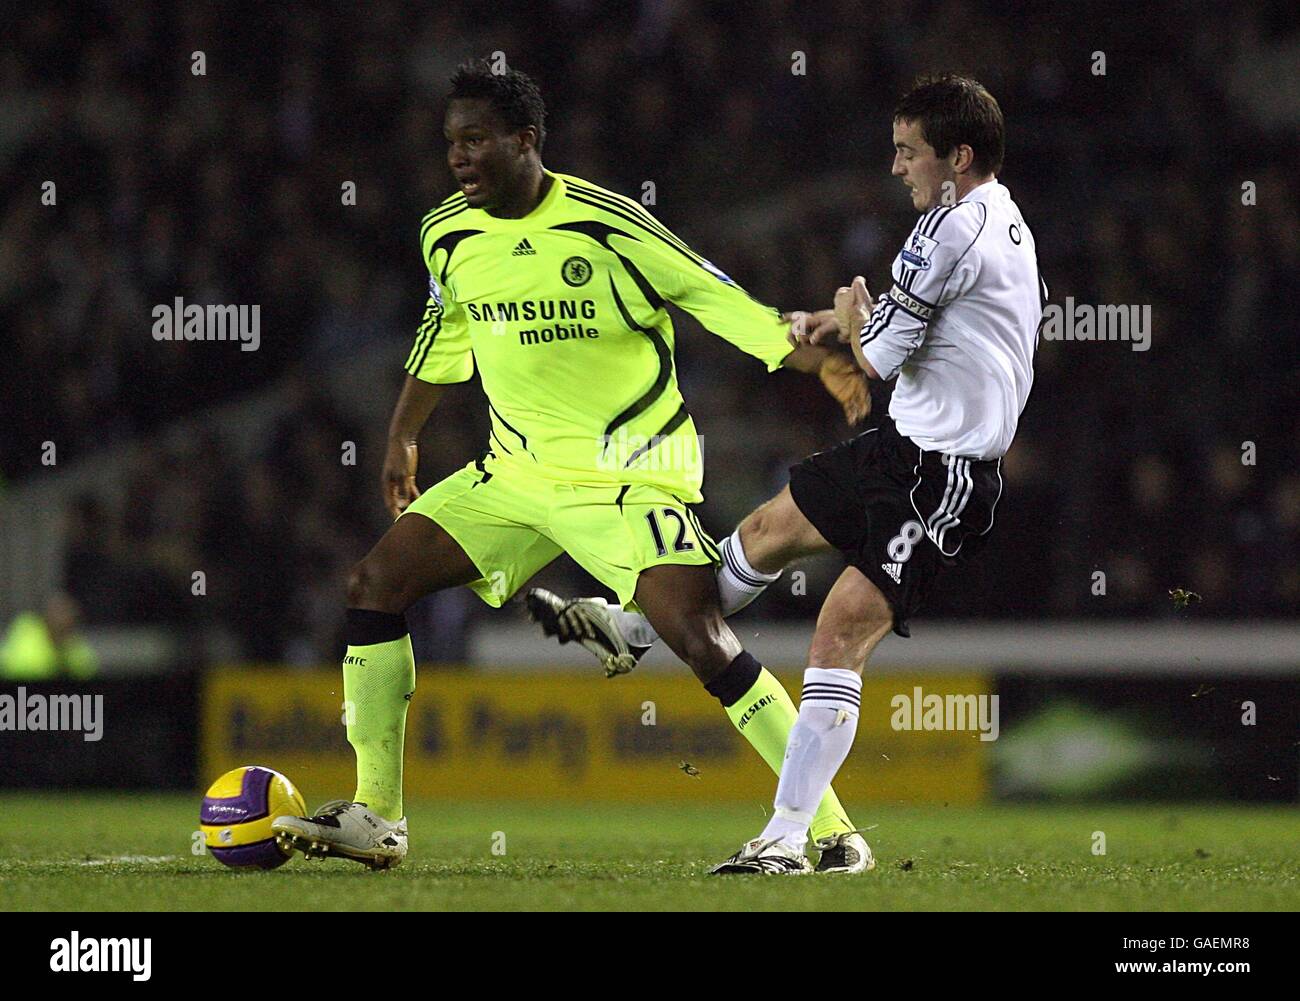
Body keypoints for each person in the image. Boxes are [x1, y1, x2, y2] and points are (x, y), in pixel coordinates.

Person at [272, 59, 871, 870]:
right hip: (515, 473)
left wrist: (807, 355)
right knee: (374, 586)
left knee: (698, 635)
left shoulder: (607, 224)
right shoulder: (446, 234)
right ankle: (378, 813)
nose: (458, 157)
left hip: (631, 471)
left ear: (526, 142)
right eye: (451, 142)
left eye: (477, 140)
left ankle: (833, 831)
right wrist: (403, 435)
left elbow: (709, 294)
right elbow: (443, 334)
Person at [533, 74, 1044, 875]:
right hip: (899, 447)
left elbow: (875, 357)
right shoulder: (999, 217)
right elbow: (920, 332)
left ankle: (789, 837)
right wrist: (830, 319)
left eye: (908, 152)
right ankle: (637, 630)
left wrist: (851, 321)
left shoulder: (950, 231)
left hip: (944, 477)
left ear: (960, 156)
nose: (896, 167)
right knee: (765, 531)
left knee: (837, 629)